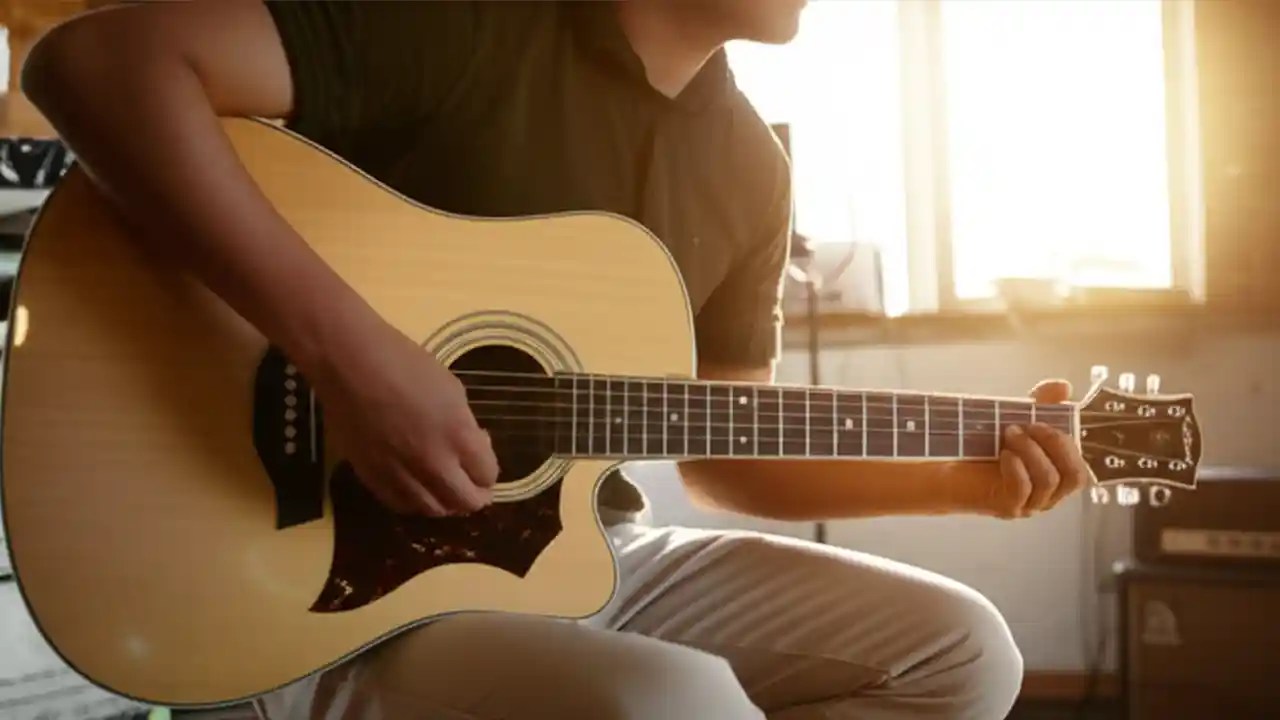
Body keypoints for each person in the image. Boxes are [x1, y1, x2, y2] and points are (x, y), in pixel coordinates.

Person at [23, 1, 1091, 718]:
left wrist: (963, 481)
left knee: (960, 652)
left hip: (578, 554)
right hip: (326, 589)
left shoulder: (747, 166)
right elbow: (92, 63)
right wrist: (349, 359)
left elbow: (731, 458)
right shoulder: (474, 29)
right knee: (681, 704)